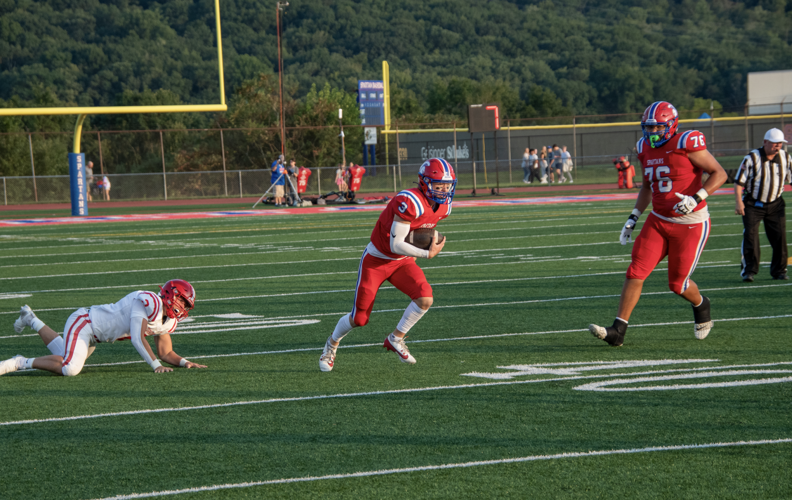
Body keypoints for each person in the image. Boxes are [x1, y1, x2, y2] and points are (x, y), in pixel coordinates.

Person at [588, 101, 727, 346]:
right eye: (648, 128)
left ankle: (701, 304)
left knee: (677, 284)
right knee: (635, 271)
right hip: (659, 220)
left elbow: (720, 173)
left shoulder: (687, 143)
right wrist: (633, 217)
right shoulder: (643, 147)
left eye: (657, 128)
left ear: (671, 125)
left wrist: (697, 198)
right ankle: (618, 330)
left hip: (691, 224)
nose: (652, 133)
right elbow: (646, 186)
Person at [318, 158, 456, 372]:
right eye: (439, 186)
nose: (443, 190)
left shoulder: (444, 207)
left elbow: (416, 232)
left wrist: (423, 242)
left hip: (402, 262)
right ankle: (331, 345)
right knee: (359, 318)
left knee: (425, 298)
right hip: (377, 260)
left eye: (447, 186)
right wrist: (426, 252)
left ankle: (396, 338)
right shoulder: (409, 201)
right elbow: (396, 244)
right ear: (424, 183)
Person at [0, 280, 206, 377]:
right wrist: (155, 366)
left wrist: (185, 362)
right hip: (84, 322)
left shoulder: (168, 321)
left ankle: (31, 319)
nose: (184, 308)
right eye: (182, 301)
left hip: (94, 336)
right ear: (171, 294)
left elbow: (166, 352)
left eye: (187, 305)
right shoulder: (149, 301)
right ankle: (18, 362)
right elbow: (137, 338)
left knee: (64, 354)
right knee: (70, 368)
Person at [734, 128, 791, 282]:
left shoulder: (786, 157)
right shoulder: (752, 158)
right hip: (753, 203)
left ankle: (779, 271)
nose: (777, 146)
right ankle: (749, 271)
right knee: (751, 236)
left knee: (779, 238)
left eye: (780, 143)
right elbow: (739, 182)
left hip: (776, 204)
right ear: (765, 142)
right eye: (774, 143)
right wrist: (739, 202)